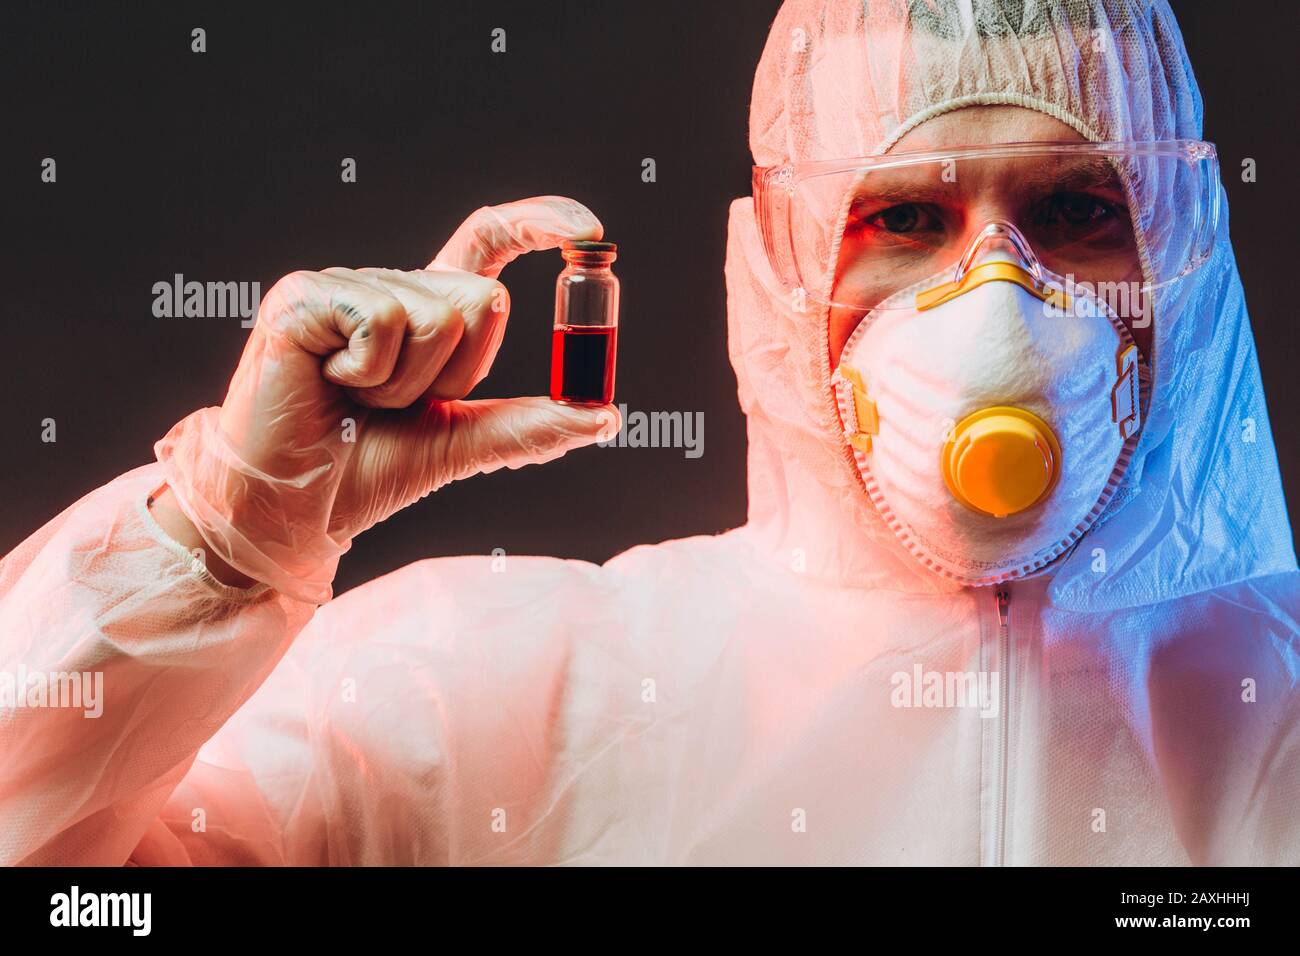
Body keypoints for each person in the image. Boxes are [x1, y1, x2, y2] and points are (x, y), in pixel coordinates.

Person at [2, 0, 1297, 866]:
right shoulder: (476, 702)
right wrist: (217, 544)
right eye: (904, 221)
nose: (1002, 306)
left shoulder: (1274, 712)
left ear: (1180, 250)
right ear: (780, 268)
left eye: (1078, 209)